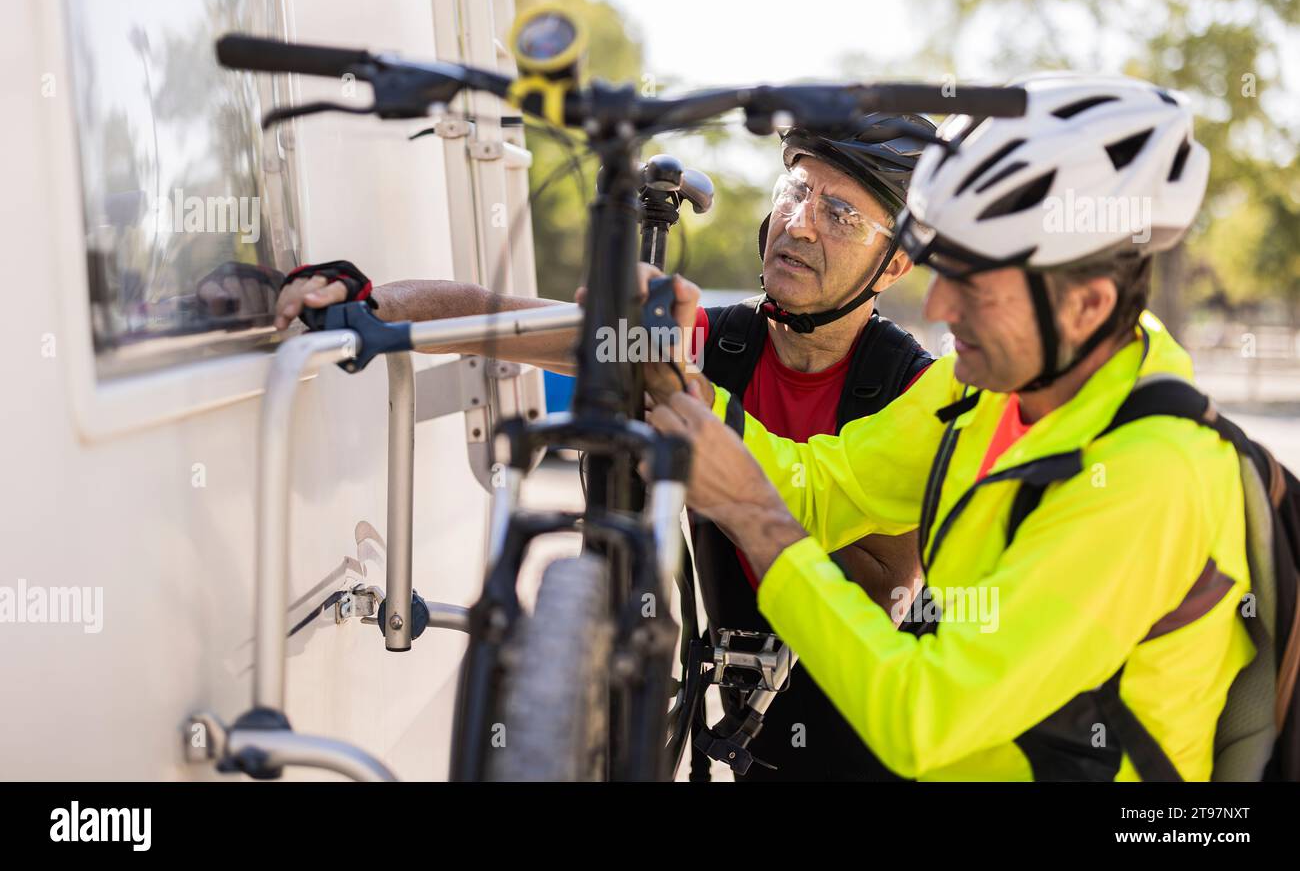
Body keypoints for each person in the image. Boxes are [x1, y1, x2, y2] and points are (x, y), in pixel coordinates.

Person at [272, 115, 938, 780]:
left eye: (841, 213)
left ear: (896, 263)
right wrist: (365, 302)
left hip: (869, 735)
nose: (799, 224)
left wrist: (695, 408)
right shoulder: (719, 343)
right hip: (745, 730)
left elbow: (887, 595)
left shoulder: (916, 391)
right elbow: (498, 316)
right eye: (794, 191)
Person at [645, 73, 1255, 781]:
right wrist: (678, 385)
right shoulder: (990, 389)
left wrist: (752, 515)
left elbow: (923, 718)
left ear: (1085, 306)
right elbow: (820, 488)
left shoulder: (1148, 477)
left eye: (972, 282)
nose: (937, 303)